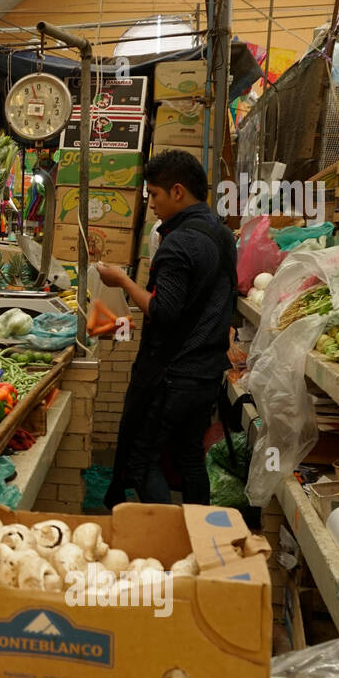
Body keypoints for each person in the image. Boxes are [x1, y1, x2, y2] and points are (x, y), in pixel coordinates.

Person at [95, 150, 238, 508]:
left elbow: (163, 311)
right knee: (189, 456)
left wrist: (123, 281)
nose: (152, 205)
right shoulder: (221, 235)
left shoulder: (180, 243)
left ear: (177, 192)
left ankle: (164, 538)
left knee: (143, 461)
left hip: (173, 377)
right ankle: (198, 533)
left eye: (154, 194)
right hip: (207, 373)